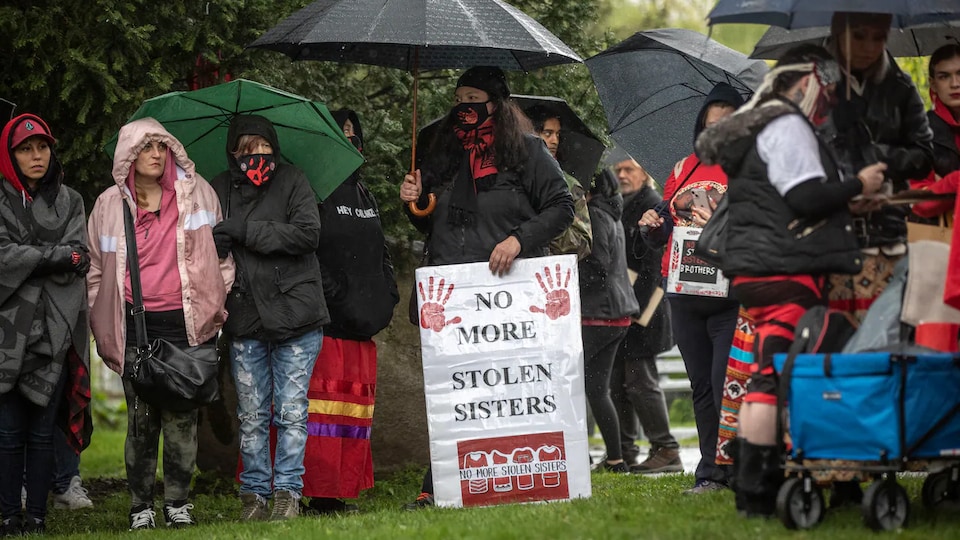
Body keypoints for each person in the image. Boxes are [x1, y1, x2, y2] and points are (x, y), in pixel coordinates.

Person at [695, 44, 886, 518]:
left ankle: (755, 489)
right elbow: (804, 197)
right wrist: (858, 185)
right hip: (784, 269)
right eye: (826, 88)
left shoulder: (760, 125)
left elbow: (782, 197)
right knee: (773, 377)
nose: (828, 100)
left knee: (769, 370)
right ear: (805, 82)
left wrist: (842, 199)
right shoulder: (787, 125)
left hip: (756, 271)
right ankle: (758, 493)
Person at [399, 66, 574, 508]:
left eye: (472, 98)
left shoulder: (528, 151)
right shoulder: (440, 149)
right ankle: (439, 484)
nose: (463, 107)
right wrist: (415, 203)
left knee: (504, 390)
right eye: (458, 99)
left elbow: (561, 206)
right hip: (449, 290)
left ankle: (516, 475)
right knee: (454, 391)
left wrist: (518, 240)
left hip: (508, 294)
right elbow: (428, 221)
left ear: (494, 103)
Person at [87, 117, 233, 529]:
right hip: (136, 328)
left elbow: (222, 258)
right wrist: (102, 324)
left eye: (162, 146)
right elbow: (95, 272)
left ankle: (178, 503)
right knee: (141, 421)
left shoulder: (197, 193)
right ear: (129, 154)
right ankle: (140, 507)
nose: (155, 154)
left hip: (187, 325)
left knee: (183, 421)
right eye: (146, 146)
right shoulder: (108, 205)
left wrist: (215, 306)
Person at [210, 114, 327, 522]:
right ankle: (254, 495)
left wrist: (246, 230)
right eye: (247, 148)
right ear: (233, 151)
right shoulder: (218, 187)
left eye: (264, 147)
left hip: (297, 315)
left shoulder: (293, 179)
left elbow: (308, 234)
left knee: (292, 411)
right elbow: (198, 244)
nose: (257, 155)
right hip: (244, 316)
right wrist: (216, 240)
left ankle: (287, 493)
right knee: (253, 414)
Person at [638, 83, 745, 494]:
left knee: (724, 385)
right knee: (701, 385)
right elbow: (666, 227)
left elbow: (759, 227)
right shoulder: (684, 168)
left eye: (727, 123)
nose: (716, 130)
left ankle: (737, 469)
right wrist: (652, 225)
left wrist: (716, 225)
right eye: (710, 123)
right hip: (683, 292)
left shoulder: (751, 169)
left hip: (729, 294)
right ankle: (710, 474)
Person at [299, 109, 399, 515]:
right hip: (327, 328)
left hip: (362, 328)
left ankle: (338, 493)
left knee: (351, 418)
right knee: (322, 417)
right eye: (339, 134)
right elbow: (308, 252)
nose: (348, 141)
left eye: (353, 134)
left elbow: (380, 252)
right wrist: (336, 294)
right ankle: (316, 494)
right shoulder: (313, 190)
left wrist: (387, 292)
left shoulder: (365, 192)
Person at [0, 114, 91, 535]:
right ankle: (7, 515)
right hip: (5, 332)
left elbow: (78, 258)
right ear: (10, 154)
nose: (36, 156)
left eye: (42, 147)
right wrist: (51, 257)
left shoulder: (70, 201)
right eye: (25, 149)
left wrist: (31, 258)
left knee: (40, 432)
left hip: (54, 330)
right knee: (7, 431)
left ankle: (36, 517)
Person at [821, 11, 934, 322]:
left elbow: (925, 153)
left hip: (888, 231)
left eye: (879, 37)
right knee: (832, 343)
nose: (870, 46)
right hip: (827, 235)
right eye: (859, 36)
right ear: (839, 32)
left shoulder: (900, 87)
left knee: (886, 338)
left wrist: (875, 156)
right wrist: (847, 182)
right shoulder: (811, 85)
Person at [611, 157, 679, 474]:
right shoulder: (626, 204)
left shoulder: (651, 205)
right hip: (626, 306)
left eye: (629, 169)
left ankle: (666, 449)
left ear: (645, 174)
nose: (622, 175)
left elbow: (653, 267)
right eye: (618, 170)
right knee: (620, 383)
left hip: (642, 311)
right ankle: (625, 451)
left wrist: (634, 312)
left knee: (640, 382)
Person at [579, 168, 641, 473]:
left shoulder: (593, 213)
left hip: (597, 313)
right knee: (596, 389)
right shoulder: (612, 213)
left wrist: (571, 277)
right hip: (616, 313)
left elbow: (598, 262)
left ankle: (582, 456)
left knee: (578, 386)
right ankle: (616, 460)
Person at [524, 104, 593, 261]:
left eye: (557, 134)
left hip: (548, 274)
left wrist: (546, 223)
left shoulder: (568, 184)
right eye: (547, 133)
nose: (555, 140)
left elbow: (582, 243)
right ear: (529, 134)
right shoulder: (505, 176)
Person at [910, 43, 960, 220]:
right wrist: (954, 182)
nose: (955, 84)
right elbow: (918, 202)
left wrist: (940, 184)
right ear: (933, 84)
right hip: (943, 238)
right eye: (944, 76)